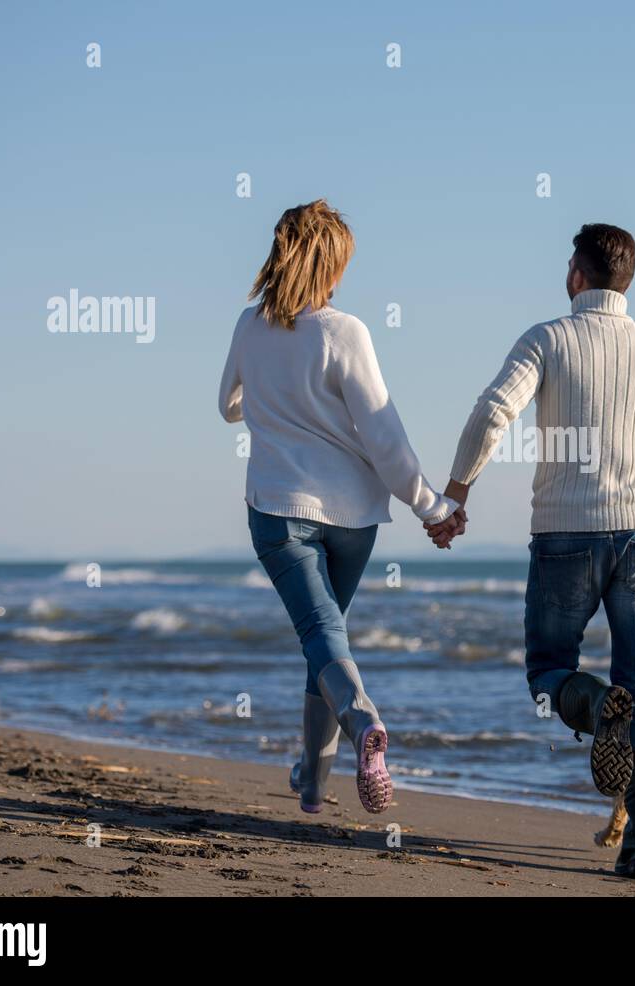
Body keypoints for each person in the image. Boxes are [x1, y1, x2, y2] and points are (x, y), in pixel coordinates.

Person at [430, 223, 635, 878]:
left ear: (577, 276)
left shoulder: (548, 338)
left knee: (548, 667)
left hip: (564, 530)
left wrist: (455, 494)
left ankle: (592, 708)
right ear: (628, 280)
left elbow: (491, 412)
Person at [219, 200, 465, 815]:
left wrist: (273, 405)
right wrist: (431, 507)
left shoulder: (250, 326)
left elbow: (227, 405)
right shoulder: (345, 332)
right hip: (353, 516)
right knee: (326, 640)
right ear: (330, 265)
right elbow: (384, 435)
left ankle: (363, 729)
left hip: (278, 511)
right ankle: (312, 781)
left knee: (321, 638)